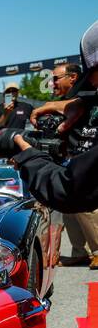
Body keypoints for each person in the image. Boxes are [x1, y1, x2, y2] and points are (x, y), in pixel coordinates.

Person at [12, 21, 98, 218]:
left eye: (93, 75)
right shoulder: (83, 103)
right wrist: (83, 103)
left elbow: (69, 190)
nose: (92, 84)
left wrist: (30, 157)